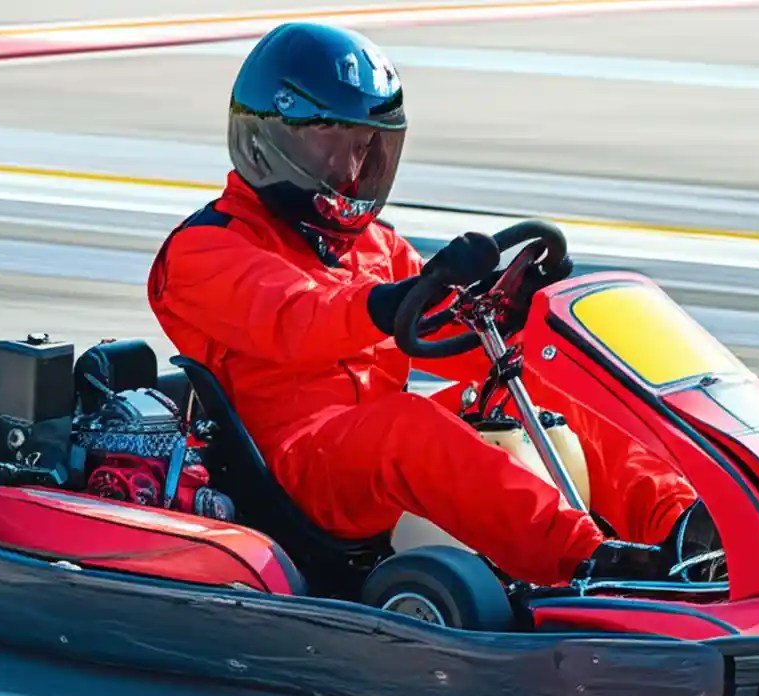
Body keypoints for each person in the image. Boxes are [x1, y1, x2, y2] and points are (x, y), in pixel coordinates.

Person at [147, 21, 703, 587]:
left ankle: (683, 528)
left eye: (367, 150)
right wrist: (390, 305)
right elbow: (295, 319)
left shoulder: (374, 245)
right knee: (406, 427)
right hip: (294, 468)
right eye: (334, 148)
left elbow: (444, 333)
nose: (353, 172)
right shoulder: (206, 247)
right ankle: (588, 563)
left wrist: (509, 313)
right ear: (270, 140)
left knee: (536, 387)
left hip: (371, 454)